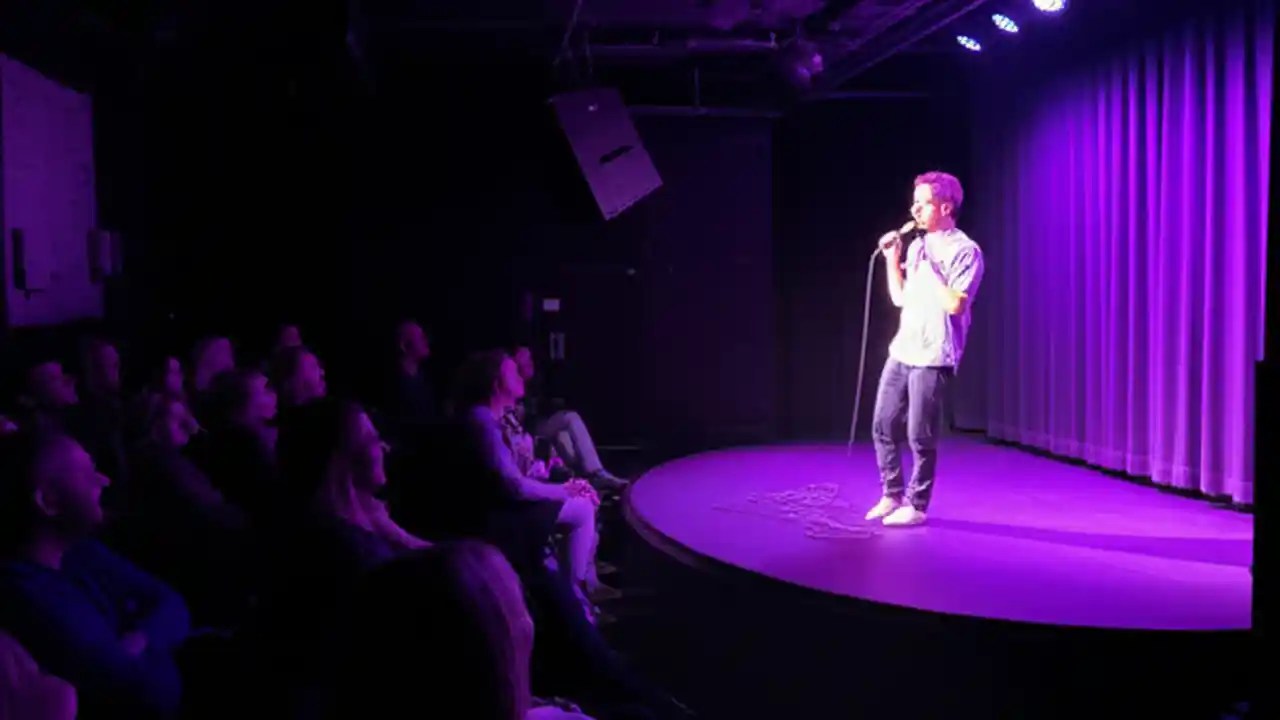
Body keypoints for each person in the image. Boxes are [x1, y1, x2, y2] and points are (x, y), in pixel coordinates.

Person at [0, 431, 190, 717]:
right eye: (87, 474)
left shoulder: (81, 549)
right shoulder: (24, 592)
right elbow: (145, 692)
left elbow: (173, 602)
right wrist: (152, 632)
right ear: (48, 501)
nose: (104, 480)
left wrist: (138, 638)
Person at [865, 171, 984, 527]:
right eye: (914, 202)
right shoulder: (915, 246)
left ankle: (916, 504)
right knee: (883, 424)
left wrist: (931, 267)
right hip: (903, 349)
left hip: (934, 355)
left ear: (945, 207)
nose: (915, 209)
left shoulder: (966, 251)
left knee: (921, 434)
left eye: (924, 203)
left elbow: (956, 305)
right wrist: (892, 258)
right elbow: (901, 297)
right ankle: (891, 494)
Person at [510, 346, 627, 491]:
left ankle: (591, 477)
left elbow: (542, 404)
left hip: (540, 423)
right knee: (571, 418)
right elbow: (520, 417)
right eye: (526, 362)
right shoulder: (514, 385)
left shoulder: (536, 381)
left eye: (530, 360)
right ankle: (596, 473)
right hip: (529, 429)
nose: (531, 364)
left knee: (562, 436)